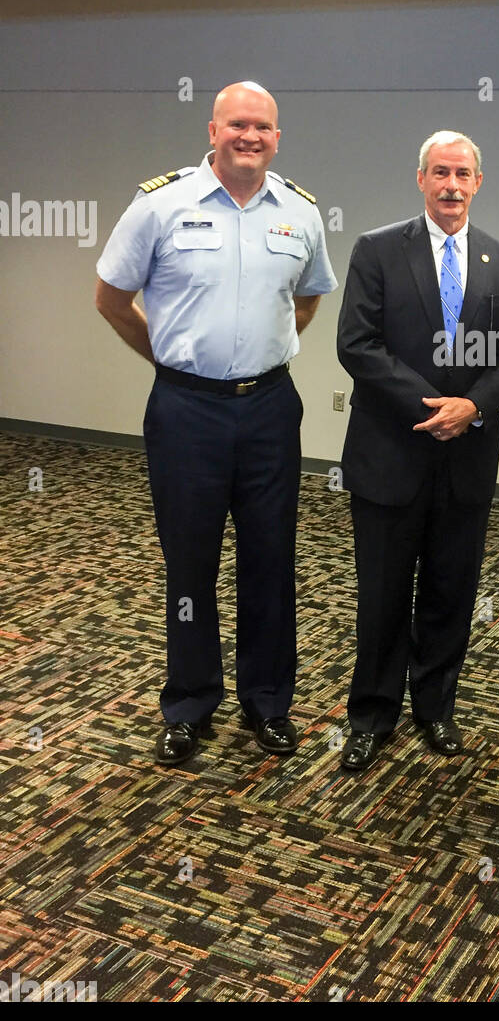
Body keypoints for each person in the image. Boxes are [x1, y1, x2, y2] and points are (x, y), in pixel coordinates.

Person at [95, 82, 337, 766]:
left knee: (270, 561)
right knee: (190, 564)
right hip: (185, 411)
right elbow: (110, 297)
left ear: (277, 137)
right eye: (237, 124)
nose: (249, 136)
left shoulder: (300, 211)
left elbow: (310, 297)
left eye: (262, 126)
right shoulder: (160, 204)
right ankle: (190, 703)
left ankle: (268, 703)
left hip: (268, 408)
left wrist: (265, 353)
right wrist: (168, 358)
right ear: (213, 129)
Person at [336, 131, 499, 772]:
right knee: (383, 592)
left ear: (478, 182)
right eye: (440, 172)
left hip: (466, 459)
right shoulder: (378, 249)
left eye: (463, 174)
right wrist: (433, 407)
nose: (451, 185)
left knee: (452, 590)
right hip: (391, 455)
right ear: (421, 179)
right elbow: (357, 345)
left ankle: (436, 707)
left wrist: (470, 408)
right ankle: (371, 713)